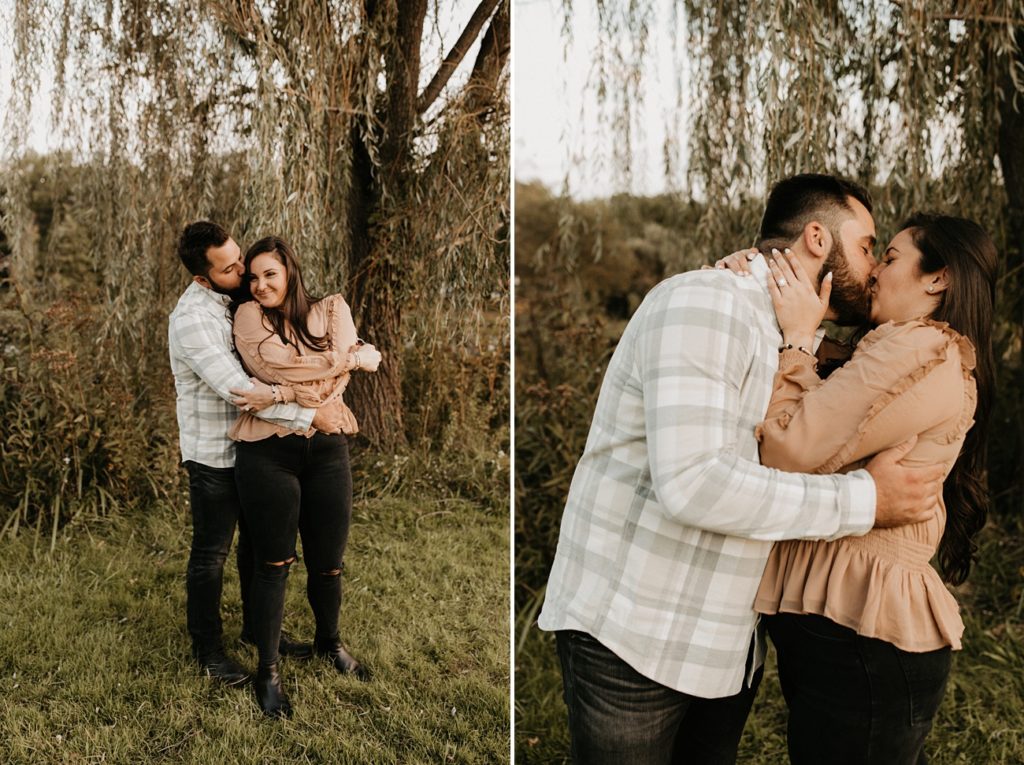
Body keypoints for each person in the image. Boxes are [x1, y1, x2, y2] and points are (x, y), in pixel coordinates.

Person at [536, 174, 949, 764]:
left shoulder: (798, 337)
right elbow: (696, 483)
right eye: (867, 248)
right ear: (815, 238)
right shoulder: (707, 302)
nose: (875, 270)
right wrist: (866, 502)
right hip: (635, 635)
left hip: (727, 647)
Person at [743, 215, 995, 764]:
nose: (876, 271)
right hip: (847, 631)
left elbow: (786, 451)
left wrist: (797, 341)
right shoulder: (890, 347)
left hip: (863, 642)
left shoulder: (921, 350)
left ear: (937, 279)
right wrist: (748, 270)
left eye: (892, 257)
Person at [169, 221, 341, 685]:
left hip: (255, 448)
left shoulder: (234, 303)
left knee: (257, 546)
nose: (244, 272)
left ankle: (254, 629)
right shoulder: (192, 321)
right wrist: (311, 417)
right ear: (203, 278)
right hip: (214, 453)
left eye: (241, 258)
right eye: (231, 269)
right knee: (212, 552)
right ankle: (207, 650)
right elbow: (239, 390)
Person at [229, 235, 381, 719]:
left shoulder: (332, 309)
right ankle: (268, 671)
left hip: (329, 450)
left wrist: (277, 394)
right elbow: (273, 364)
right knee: (274, 563)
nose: (259, 285)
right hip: (268, 453)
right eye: (252, 277)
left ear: (289, 271)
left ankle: (329, 643)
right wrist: (351, 359)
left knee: (328, 561)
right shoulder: (250, 317)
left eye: (269, 274)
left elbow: (296, 377)